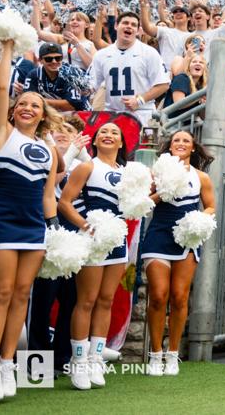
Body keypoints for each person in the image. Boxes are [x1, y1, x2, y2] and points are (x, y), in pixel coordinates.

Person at [0, 39, 59, 400]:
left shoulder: (49, 149)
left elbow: (48, 194)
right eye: (22, 104)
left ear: (42, 113)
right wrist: (7, 48)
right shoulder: (3, 135)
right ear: (12, 110)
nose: (28, 108)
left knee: (23, 293)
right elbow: (3, 86)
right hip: (3, 223)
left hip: (34, 228)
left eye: (35, 105)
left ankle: (8, 364)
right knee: (2, 292)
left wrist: (52, 230)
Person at [56, 123, 129, 390]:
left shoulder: (128, 173)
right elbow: (64, 203)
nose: (108, 136)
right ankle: (79, 362)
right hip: (92, 239)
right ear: (95, 141)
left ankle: (96, 358)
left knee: (106, 300)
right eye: (103, 133)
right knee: (86, 300)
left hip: (117, 241)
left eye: (114, 133)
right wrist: (86, 226)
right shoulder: (87, 167)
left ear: (121, 143)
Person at [141, 131, 216, 377]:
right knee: (159, 295)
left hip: (186, 238)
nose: (181, 144)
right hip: (159, 234)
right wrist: (160, 193)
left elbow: (211, 206)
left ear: (193, 148)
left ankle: (172, 354)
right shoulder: (156, 172)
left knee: (179, 297)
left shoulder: (201, 177)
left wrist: (199, 219)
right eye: (176, 141)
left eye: (186, 141)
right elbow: (142, 203)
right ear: (169, 147)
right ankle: (155, 354)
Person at [87, 11, 169, 125]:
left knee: (146, 143)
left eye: (133, 25)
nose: (129, 26)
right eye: (125, 23)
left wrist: (140, 100)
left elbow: (163, 84)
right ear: (116, 26)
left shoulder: (149, 53)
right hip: (113, 116)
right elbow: (91, 85)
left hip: (143, 114)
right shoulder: (102, 55)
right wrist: (81, 88)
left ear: (138, 30)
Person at [23, 42, 89, 113]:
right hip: (51, 114)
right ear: (40, 60)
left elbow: (72, 105)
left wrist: (39, 100)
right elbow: (29, 99)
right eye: (49, 59)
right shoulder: (34, 74)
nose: (54, 61)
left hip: (79, 114)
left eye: (58, 58)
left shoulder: (71, 74)